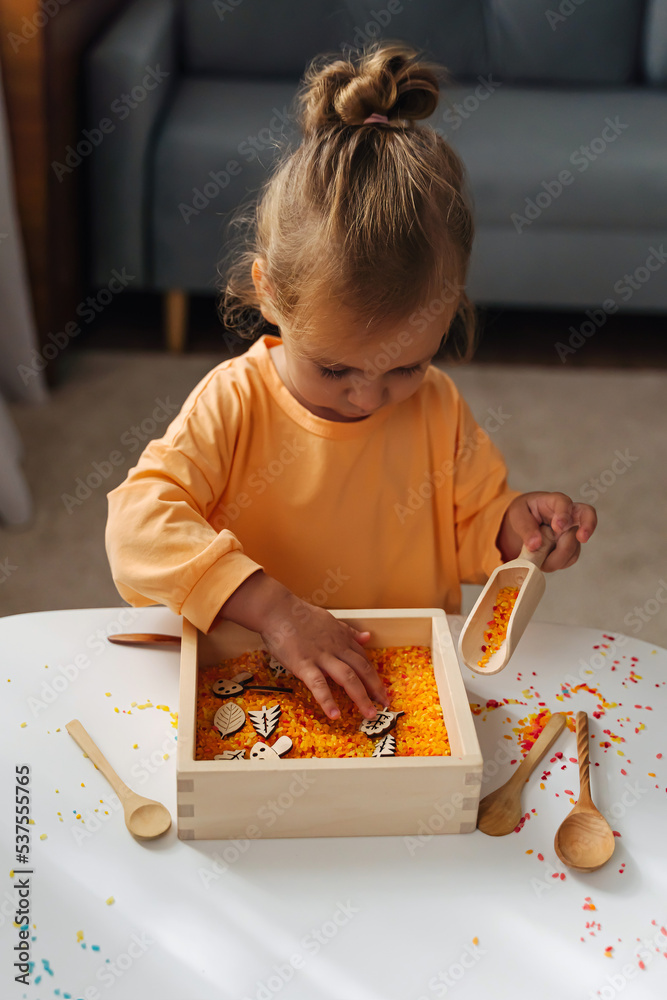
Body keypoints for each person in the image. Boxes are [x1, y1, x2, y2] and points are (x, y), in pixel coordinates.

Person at [105, 41, 597, 724]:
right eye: (334, 369)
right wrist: (273, 610)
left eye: (404, 366)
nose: (368, 398)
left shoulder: (438, 408)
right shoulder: (234, 401)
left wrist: (516, 534)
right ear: (268, 293)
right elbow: (136, 529)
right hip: (250, 691)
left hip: (396, 692)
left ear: (448, 315)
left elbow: (467, 528)